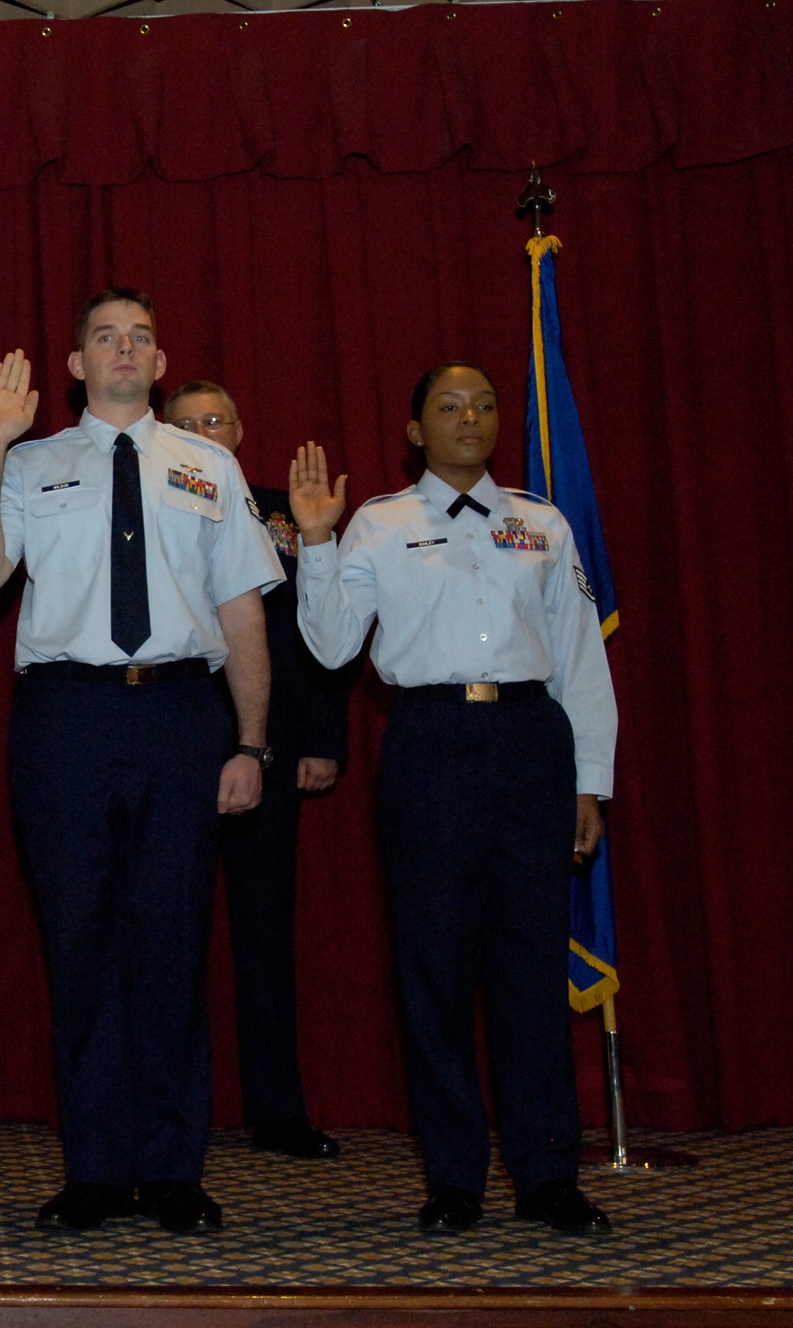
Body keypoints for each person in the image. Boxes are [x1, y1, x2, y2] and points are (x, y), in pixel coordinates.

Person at [0, 291, 283, 1234]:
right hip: (68, 718)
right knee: (82, 945)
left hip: (181, 713)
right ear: (76, 364)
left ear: (161, 358)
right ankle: (96, 1170)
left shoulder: (208, 463)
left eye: (140, 336)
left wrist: (251, 740)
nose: (124, 348)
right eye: (106, 336)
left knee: (174, 945)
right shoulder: (27, 463)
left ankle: (173, 1168)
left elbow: (243, 611)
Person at [290, 362, 616, 1234]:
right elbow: (327, 650)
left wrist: (592, 781)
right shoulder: (379, 524)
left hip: (529, 742)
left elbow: (582, 657)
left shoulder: (540, 523)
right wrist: (317, 543)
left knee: (530, 970)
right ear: (414, 430)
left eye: (483, 405)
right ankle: (453, 1180)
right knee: (434, 970)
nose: (469, 418)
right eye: (448, 406)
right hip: (430, 745)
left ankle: (548, 1174)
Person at [164, 381, 350, 1162]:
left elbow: (321, 629)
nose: (204, 431)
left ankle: (277, 1110)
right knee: (168, 933)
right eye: (186, 423)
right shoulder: (152, 502)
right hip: (173, 741)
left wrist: (322, 738)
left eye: (215, 420)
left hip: (269, 746)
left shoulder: (286, 511)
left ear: (239, 430)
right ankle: (173, 1111)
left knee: (265, 932)